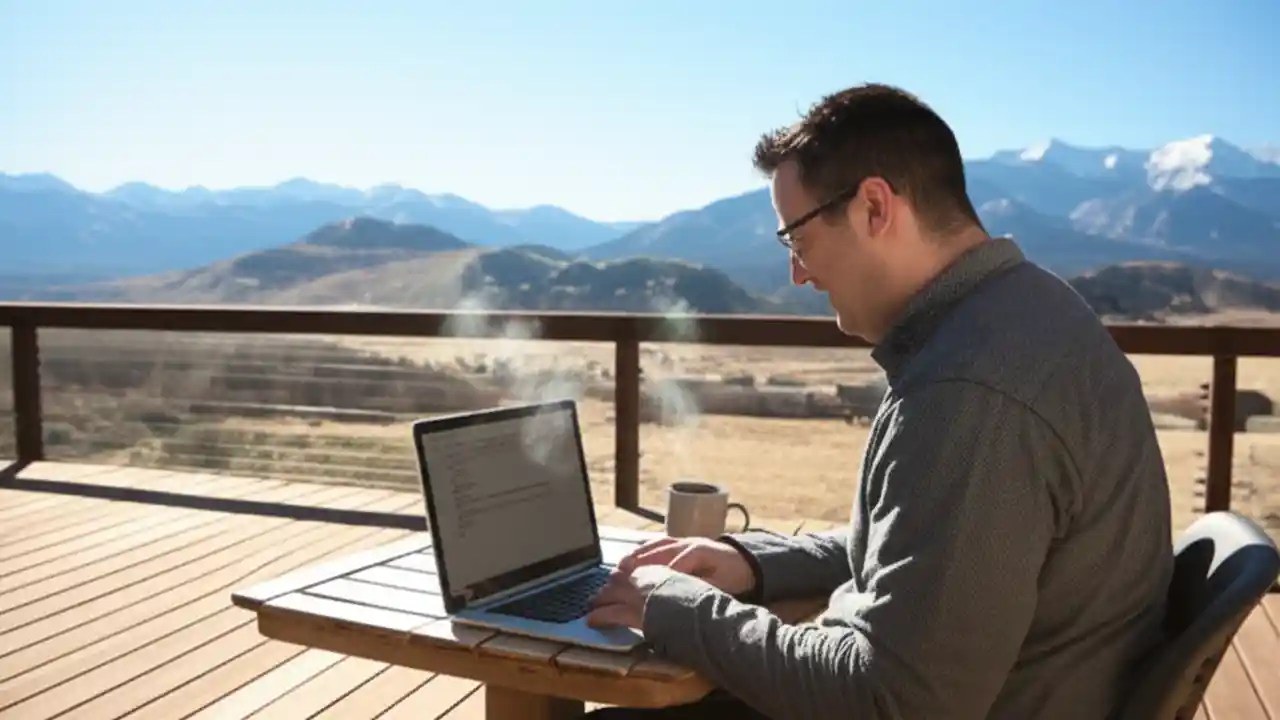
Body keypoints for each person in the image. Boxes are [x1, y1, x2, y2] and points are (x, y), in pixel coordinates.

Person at [583, 83, 1175, 719]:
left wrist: (677, 608)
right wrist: (755, 564)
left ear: (874, 207)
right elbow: (923, 552)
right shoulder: (1023, 313)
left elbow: (896, 701)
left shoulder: (972, 395)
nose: (798, 274)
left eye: (796, 239)